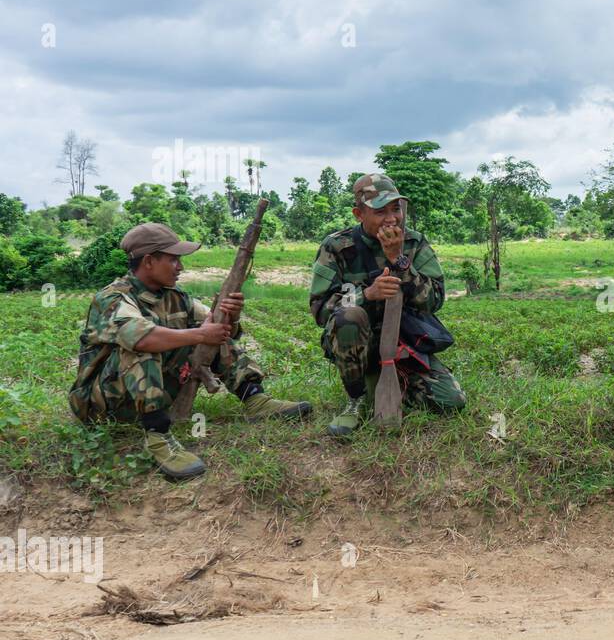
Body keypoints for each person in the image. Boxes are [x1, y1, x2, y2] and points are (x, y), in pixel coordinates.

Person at [69, 223, 311, 481]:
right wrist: (200, 334)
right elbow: (140, 337)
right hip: (103, 404)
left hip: (145, 393)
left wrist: (230, 317)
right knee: (142, 343)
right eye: (173, 260)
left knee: (209, 327)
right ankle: (159, 438)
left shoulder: (176, 296)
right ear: (149, 261)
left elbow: (214, 328)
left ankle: (254, 398)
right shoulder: (114, 298)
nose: (180, 267)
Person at [309, 173, 465, 436]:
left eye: (396, 209)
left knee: (451, 402)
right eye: (380, 211)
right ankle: (356, 398)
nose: (392, 218)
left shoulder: (414, 243)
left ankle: (388, 379)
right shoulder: (336, 246)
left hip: (404, 345)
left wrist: (399, 261)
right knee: (350, 316)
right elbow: (321, 309)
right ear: (359, 214)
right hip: (359, 343)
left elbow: (434, 300)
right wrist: (367, 295)